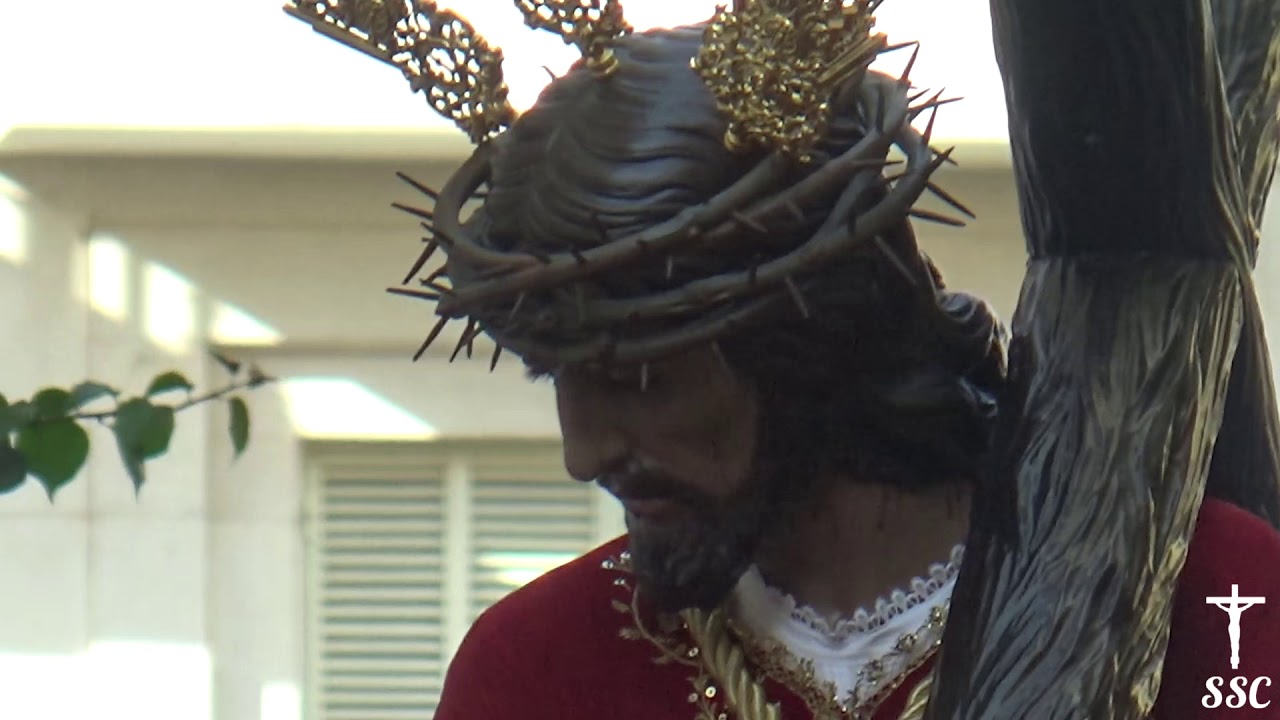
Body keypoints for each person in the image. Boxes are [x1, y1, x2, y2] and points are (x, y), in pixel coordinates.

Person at [286, 1, 1280, 717]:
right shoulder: (540, 670)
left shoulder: (1227, 603)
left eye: (641, 377)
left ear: (815, 332)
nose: (583, 453)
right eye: (561, 381)